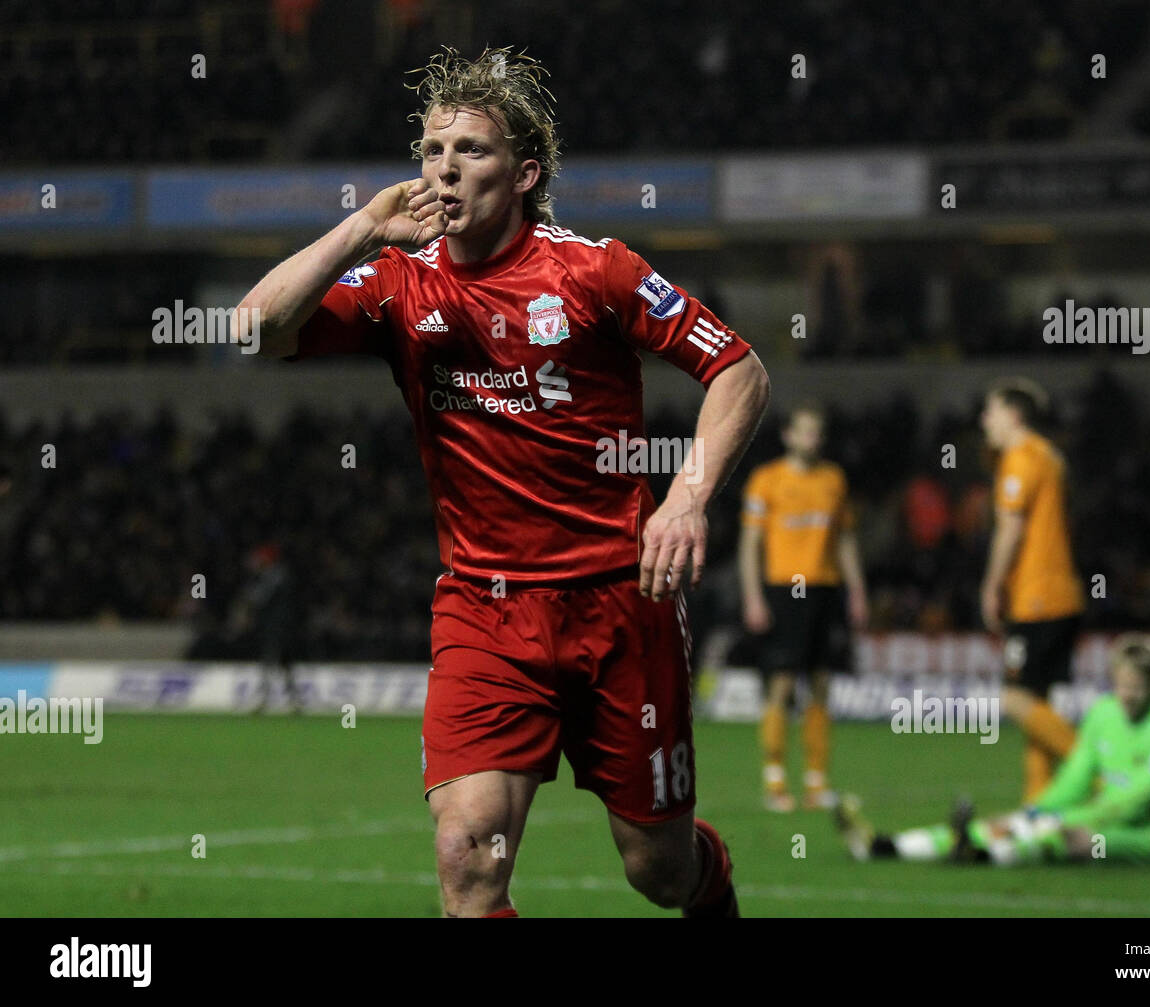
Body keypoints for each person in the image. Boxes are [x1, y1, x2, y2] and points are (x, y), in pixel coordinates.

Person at [235, 47, 770, 917]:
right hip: (485, 611)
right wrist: (360, 231)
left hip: (618, 601)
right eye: (433, 149)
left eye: (470, 150)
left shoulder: (596, 272)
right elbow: (253, 331)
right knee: (467, 859)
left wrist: (685, 495)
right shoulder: (397, 284)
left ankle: (709, 878)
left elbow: (740, 370)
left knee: (657, 871)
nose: (445, 167)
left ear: (524, 173)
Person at [835, 635, 1150, 865]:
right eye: (1121, 686)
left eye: (1135, 688)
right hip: (1097, 813)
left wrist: (1070, 819)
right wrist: (1039, 809)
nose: (1126, 696)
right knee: (1009, 823)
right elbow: (1077, 776)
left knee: (1076, 840)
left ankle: (983, 856)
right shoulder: (1103, 713)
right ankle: (883, 846)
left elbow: (1143, 797)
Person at [739, 404, 869, 812]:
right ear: (789, 435)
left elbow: (845, 539)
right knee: (780, 684)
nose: (812, 440)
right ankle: (775, 781)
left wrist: (857, 590)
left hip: (825, 590)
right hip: (782, 589)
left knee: (821, 685)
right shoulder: (766, 481)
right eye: (805, 432)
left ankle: (817, 784)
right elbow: (750, 545)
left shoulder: (834, 480)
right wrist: (753, 596)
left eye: (818, 433)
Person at [979, 378, 1084, 801]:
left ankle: (1097, 775)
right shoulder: (1050, 456)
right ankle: (1037, 800)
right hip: (1064, 594)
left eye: (991, 410)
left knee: (1015, 699)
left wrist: (991, 586)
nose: (985, 420)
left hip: (1035, 596)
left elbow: (1011, 529)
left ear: (1013, 415)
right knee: (1040, 699)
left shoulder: (1020, 458)